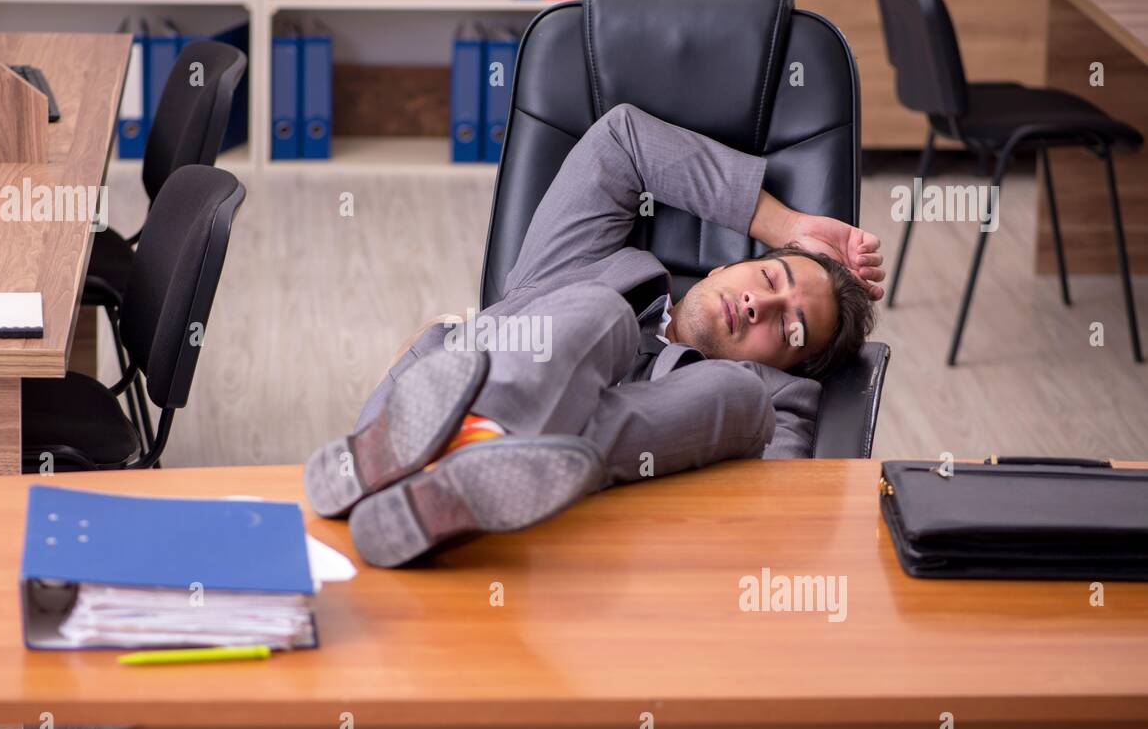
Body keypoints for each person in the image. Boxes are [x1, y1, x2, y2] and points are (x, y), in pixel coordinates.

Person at [306, 103, 882, 567]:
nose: (762, 304)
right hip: (451, 462)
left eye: (791, 326)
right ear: (722, 268)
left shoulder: (774, 394)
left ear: (791, 366)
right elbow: (625, 140)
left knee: (738, 396)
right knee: (599, 312)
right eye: (769, 276)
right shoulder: (586, 262)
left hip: (580, 541)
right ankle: (479, 446)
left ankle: (482, 451)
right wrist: (790, 227)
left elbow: (773, 519)